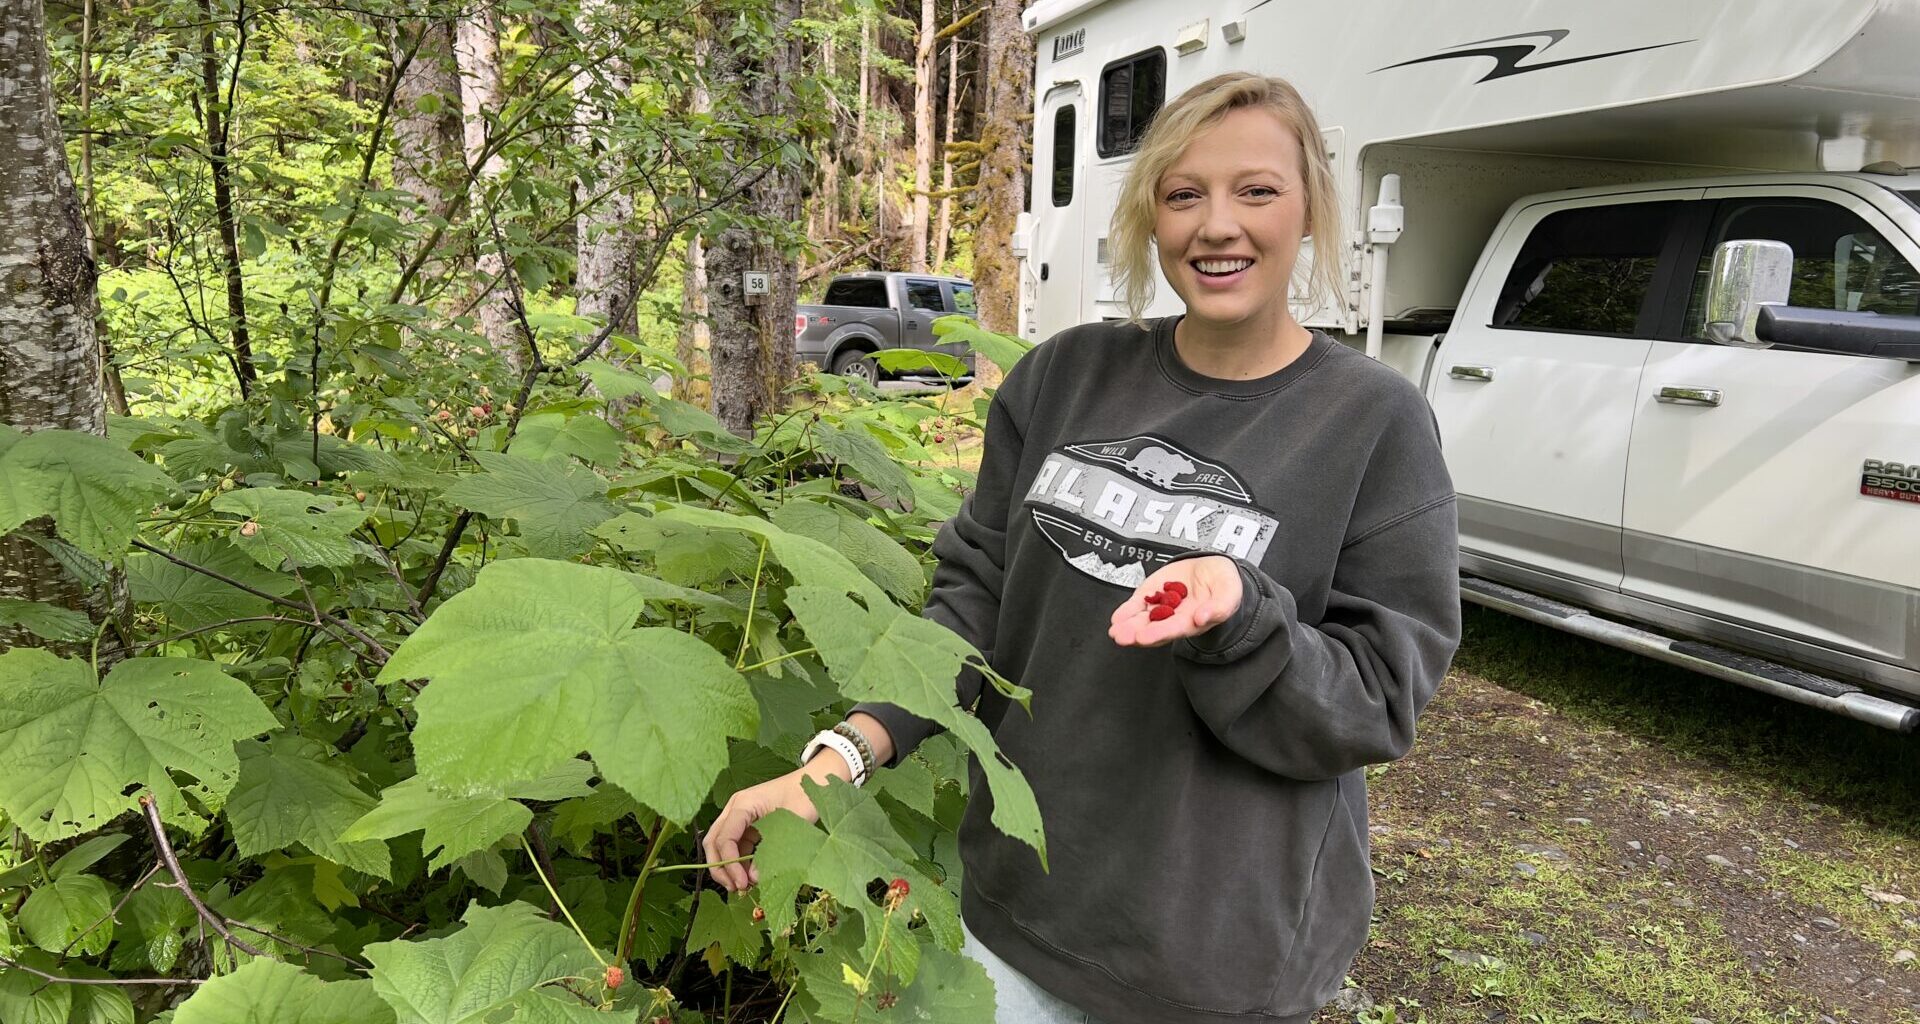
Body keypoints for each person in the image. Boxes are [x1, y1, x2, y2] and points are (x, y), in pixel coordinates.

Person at [703, 71, 1461, 1024]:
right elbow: (975, 601)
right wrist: (839, 759)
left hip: (1218, 959)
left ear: (1309, 205)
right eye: (1184, 194)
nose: (1217, 224)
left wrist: (1239, 611)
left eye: (1256, 190)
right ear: (1150, 215)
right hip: (1020, 908)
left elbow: (1376, 701)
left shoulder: (1372, 422)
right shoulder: (1065, 376)